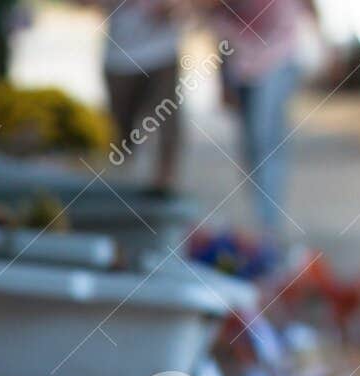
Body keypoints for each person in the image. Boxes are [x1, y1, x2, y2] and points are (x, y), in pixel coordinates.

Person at [203, 0, 312, 245]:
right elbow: (216, 15)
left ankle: (268, 222)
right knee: (251, 143)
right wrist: (223, 76)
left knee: (266, 139)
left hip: (277, 56)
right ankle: (262, 216)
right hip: (240, 60)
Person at [98, 0, 185, 194]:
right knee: (120, 131)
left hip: (162, 52)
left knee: (168, 120)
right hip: (120, 56)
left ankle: (163, 185)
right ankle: (121, 188)